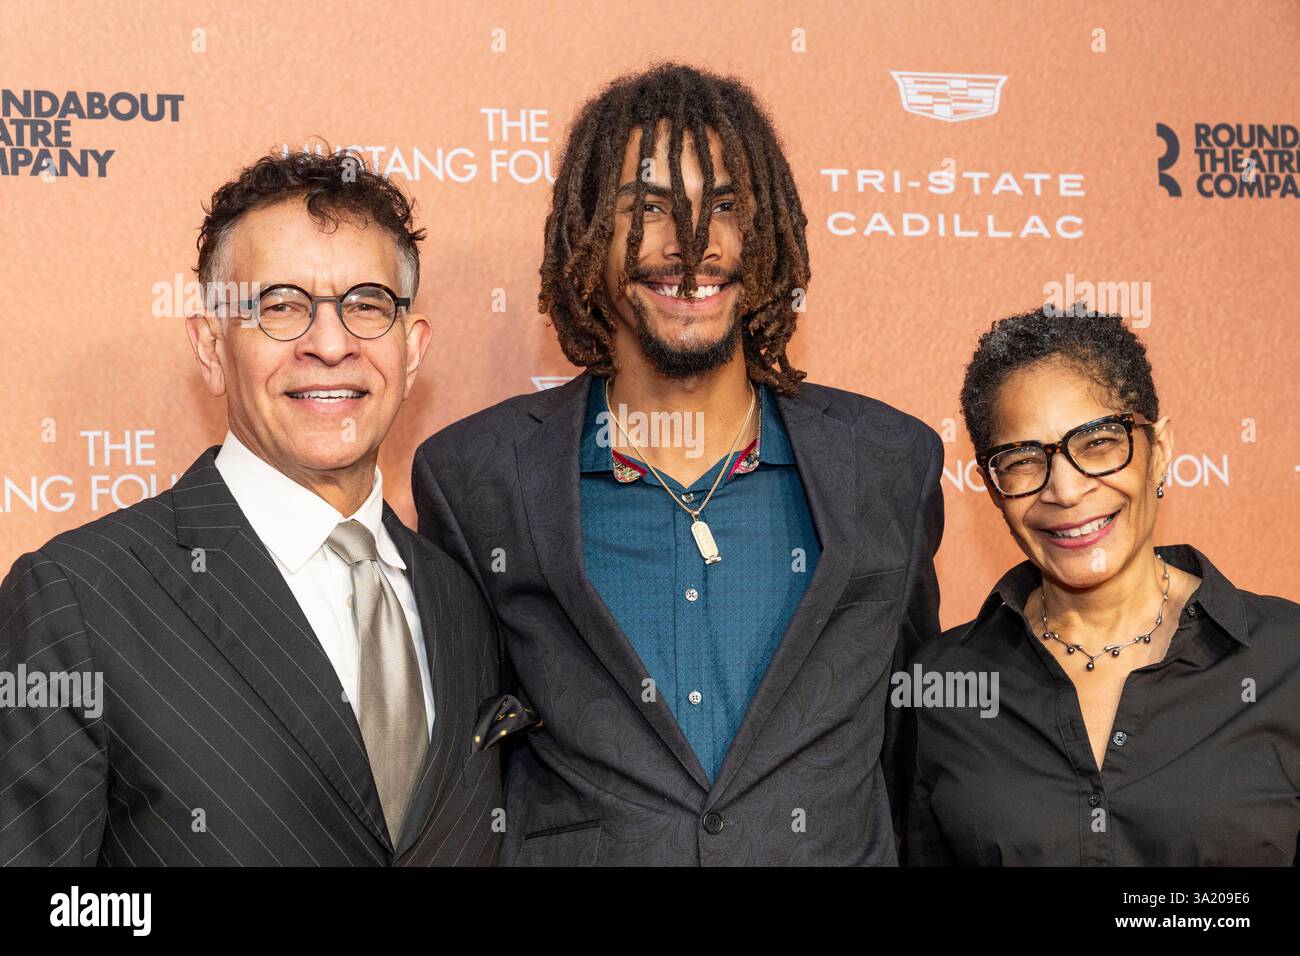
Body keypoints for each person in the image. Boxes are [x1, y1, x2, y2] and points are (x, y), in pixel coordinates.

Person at [414, 63, 944, 865]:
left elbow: (912, 757)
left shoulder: (888, 464)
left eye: (724, 207)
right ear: (587, 242)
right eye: (647, 210)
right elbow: (462, 768)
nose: (689, 247)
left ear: (764, 235)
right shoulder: (476, 480)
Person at [0, 149, 507, 866]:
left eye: (366, 304)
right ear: (211, 348)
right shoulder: (78, 600)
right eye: (280, 306)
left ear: (411, 348)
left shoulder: (464, 598)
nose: (329, 344)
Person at [905, 307, 1300, 865]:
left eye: (1097, 443)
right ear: (994, 491)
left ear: (1158, 452)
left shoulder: (1288, 659)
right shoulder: (941, 685)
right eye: (1021, 460)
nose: (1064, 490)